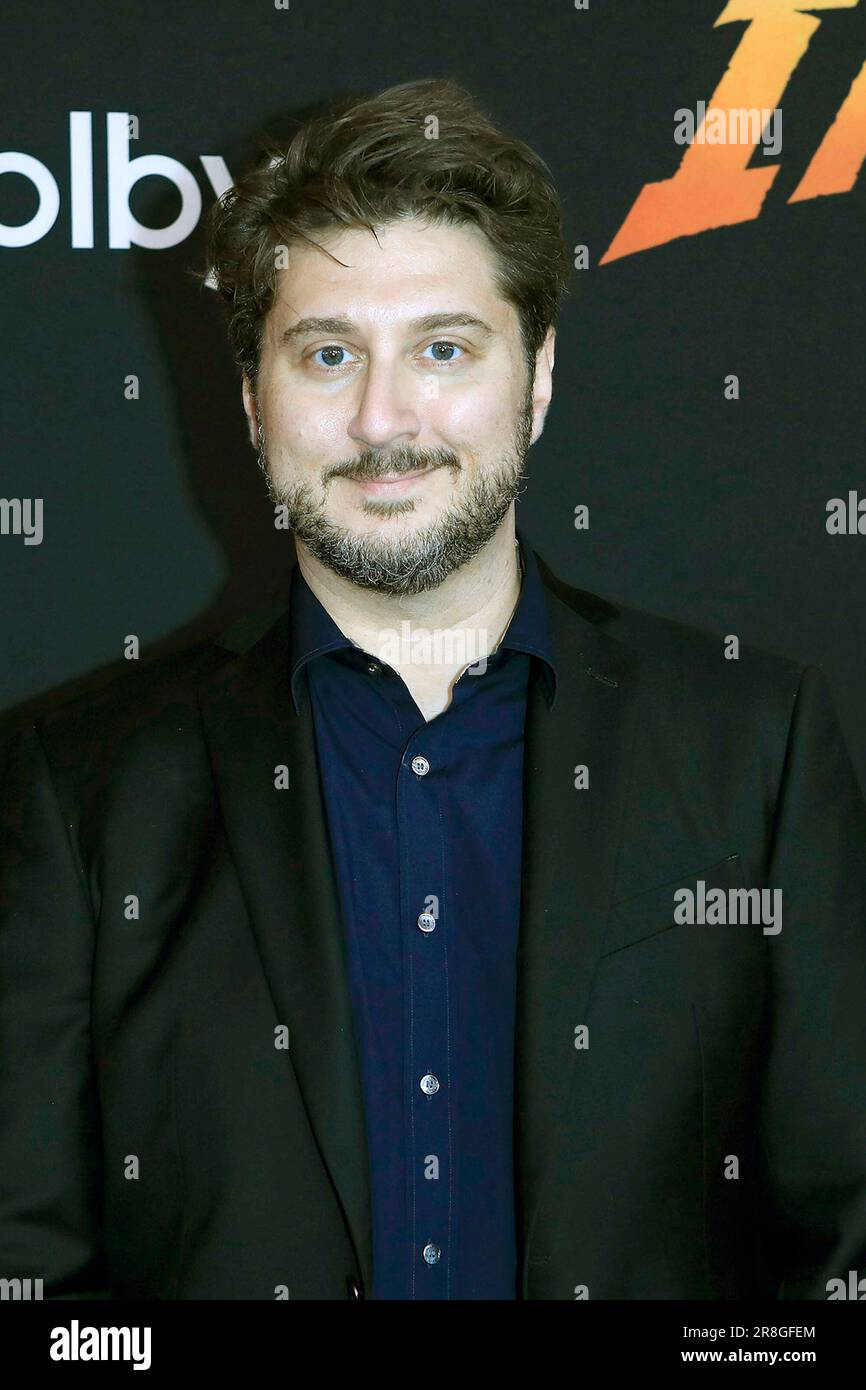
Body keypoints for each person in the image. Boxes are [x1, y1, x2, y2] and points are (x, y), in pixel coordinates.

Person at [1, 77, 865, 1301]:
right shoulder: (80, 786)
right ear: (253, 402)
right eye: (327, 353)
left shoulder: (752, 746)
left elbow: (841, 1247)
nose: (382, 418)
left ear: (538, 376)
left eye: (443, 349)